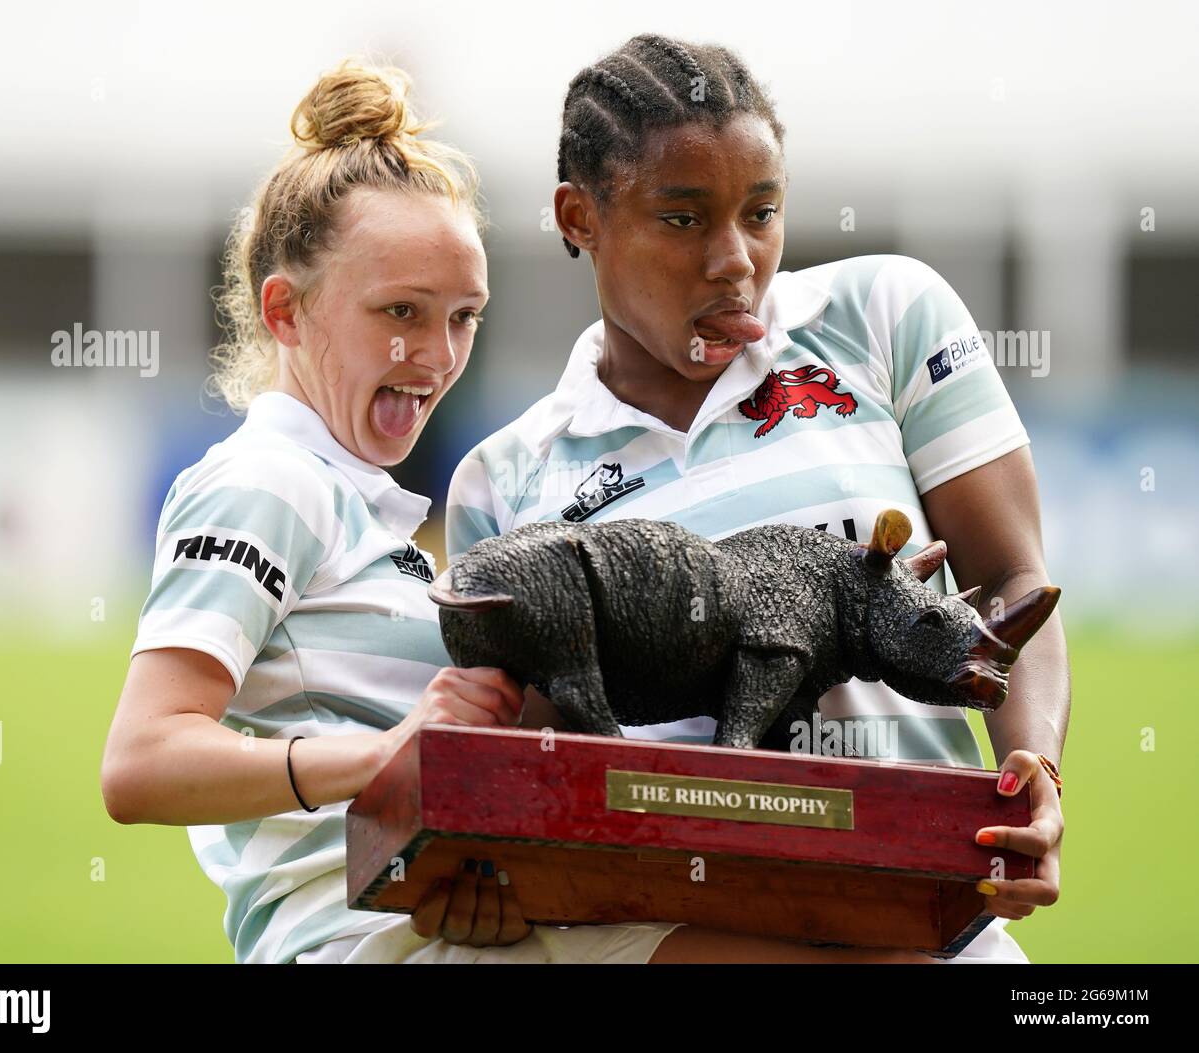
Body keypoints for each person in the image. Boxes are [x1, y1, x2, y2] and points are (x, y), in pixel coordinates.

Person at [444, 34, 1069, 964]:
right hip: (707, 944)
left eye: (763, 212)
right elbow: (534, 770)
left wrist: (1034, 770)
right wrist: (482, 877)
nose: (735, 260)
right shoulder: (505, 481)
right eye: (684, 218)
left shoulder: (885, 315)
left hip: (938, 929)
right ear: (580, 218)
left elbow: (1012, 581)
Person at [101, 59, 550, 964]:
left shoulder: (364, 507)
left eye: (464, 316)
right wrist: (391, 756)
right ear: (286, 311)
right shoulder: (270, 481)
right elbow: (140, 760)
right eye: (401, 311)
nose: (435, 353)